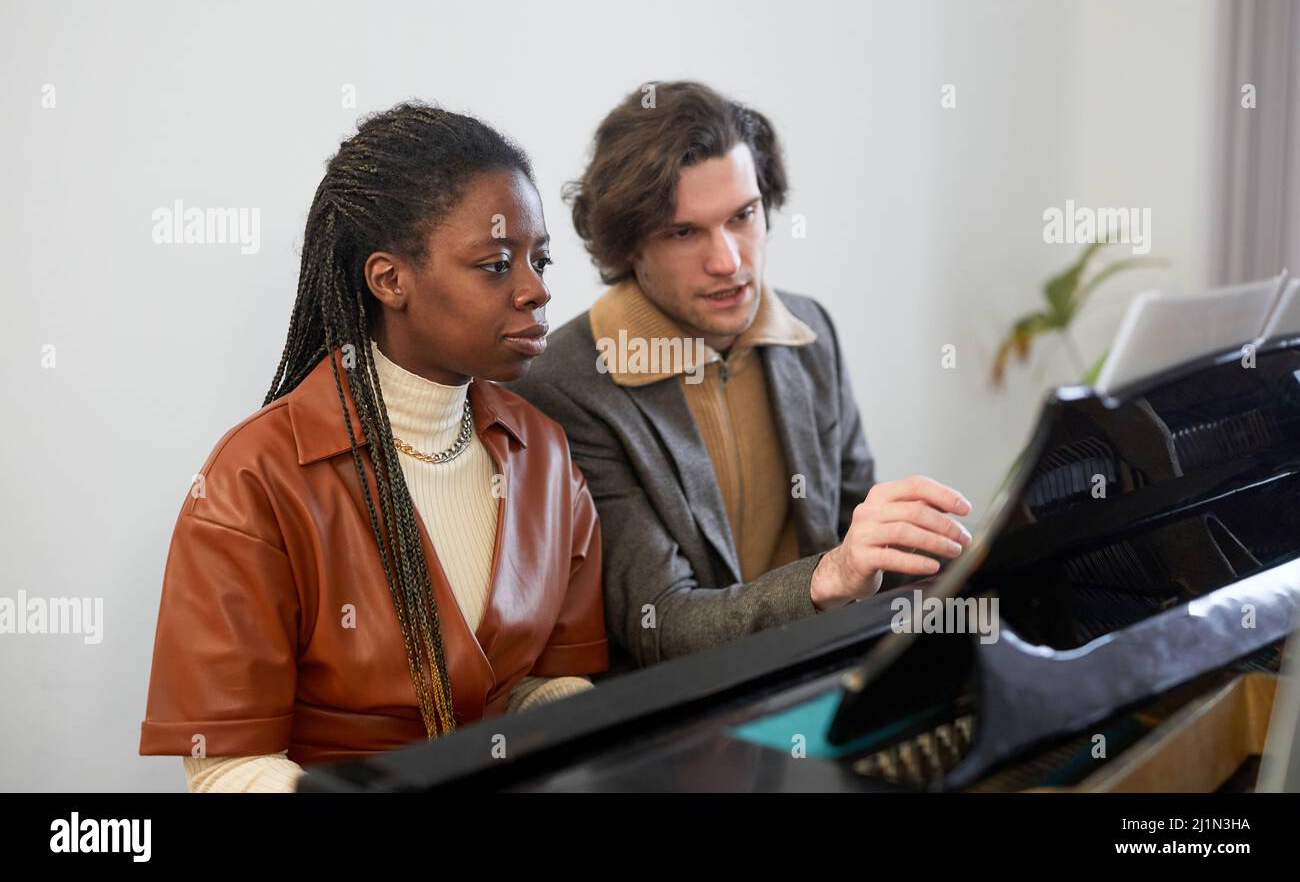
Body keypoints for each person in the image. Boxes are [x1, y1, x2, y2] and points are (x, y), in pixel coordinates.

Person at [140, 102, 607, 792]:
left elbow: (547, 680)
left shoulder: (541, 452)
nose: (536, 290)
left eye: (539, 259)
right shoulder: (254, 480)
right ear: (390, 280)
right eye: (496, 264)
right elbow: (230, 764)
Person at [510, 81, 971, 671]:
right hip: (688, 713)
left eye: (743, 216)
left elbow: (853, 522)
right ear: (628, 246)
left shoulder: (808, 330)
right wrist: (830, 576)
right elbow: (660, 623)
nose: (728, 261)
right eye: (684, 232)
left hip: (822, 672)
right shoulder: (566, 383)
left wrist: (960, 549)